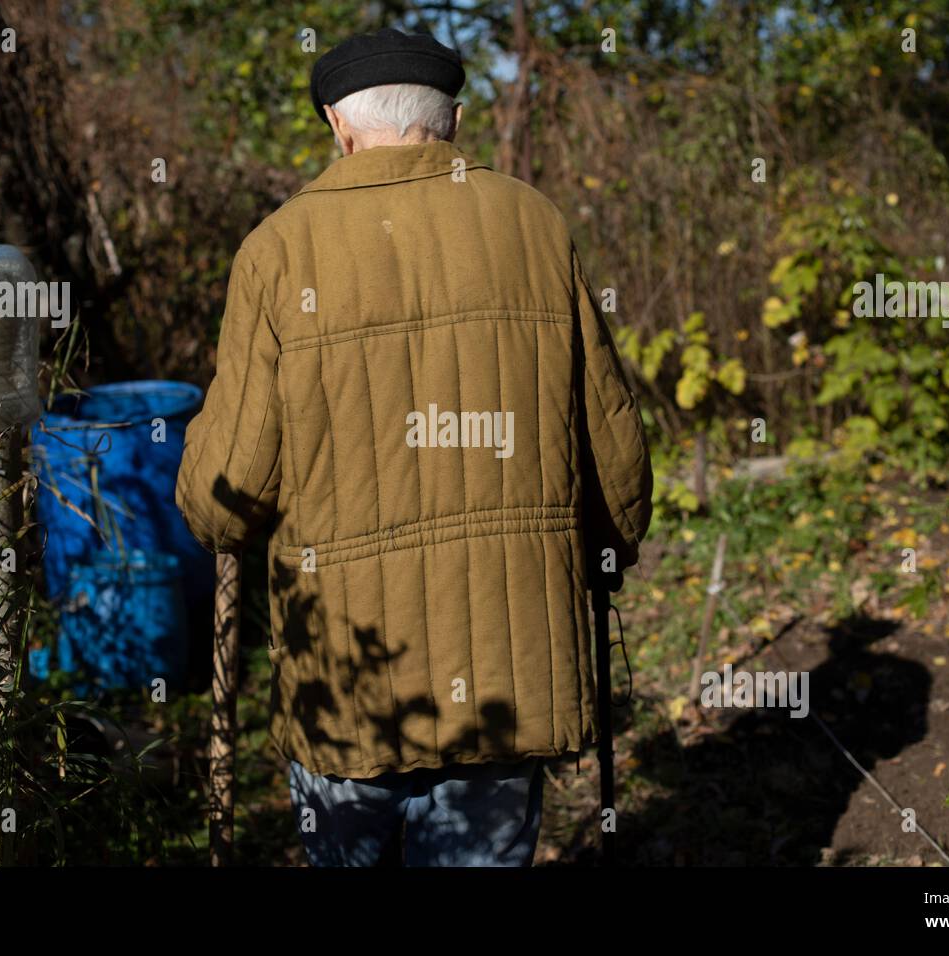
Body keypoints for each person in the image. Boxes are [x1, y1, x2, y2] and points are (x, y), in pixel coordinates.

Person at [176, 27, 651, 866]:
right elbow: (611, 444)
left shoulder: (278, 251)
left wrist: (207, 505)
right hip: (511, 672)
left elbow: (229, 491)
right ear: (455, 119)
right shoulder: (533, 226)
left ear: (336, 123)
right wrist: (608, 549)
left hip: (351, 684)